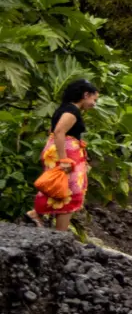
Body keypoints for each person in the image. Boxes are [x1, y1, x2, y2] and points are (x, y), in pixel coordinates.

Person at [27, 79, 99, 232]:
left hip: (57, 151)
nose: (94, 104)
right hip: (64, 154)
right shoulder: (72, 111)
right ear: (86, 95)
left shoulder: (64, 108)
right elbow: (59, 132)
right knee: (70, 193)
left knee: (57, 185)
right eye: (94, 99)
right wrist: (64, 159)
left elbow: (52, 131)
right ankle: (61, 234)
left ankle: (37, 213)